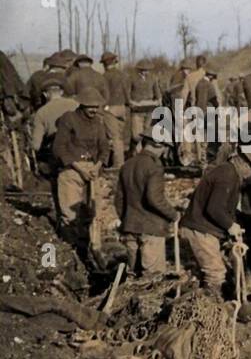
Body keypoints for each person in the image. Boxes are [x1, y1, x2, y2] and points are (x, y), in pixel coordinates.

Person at [180, 150, 251, 295]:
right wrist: (230, 226)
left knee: (212, 271)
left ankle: (207, 300)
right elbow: (214, 208)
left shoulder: (229, 172)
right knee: (216, 273)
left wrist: (232, 228)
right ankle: (209, 311)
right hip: (200, 229)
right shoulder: (227, 175)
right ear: (245, 164)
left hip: (202, 227)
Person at [50, 88, 111, 236]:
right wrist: (79, 168)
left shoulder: (98, 122)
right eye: (90, 107)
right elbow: (59, 148)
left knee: (93, 214)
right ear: (82, 106)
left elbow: (104, 147)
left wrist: (97, 166)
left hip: (93, 170)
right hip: (72, 169)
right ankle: (70, 246)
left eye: (96, 107)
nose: (94, 110)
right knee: (70, 214)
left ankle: (90, 246)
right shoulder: (69, 119)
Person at [114, 135, 177, 276]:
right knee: (152, 280)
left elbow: (119, 200)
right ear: (159, 146)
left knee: (133, 278)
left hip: (130, 227)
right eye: (166, 147)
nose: (165, 151)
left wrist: (126, 220)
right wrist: (173, 214)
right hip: (151, 229)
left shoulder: (127, 165)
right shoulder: (154, 167)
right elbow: (154, 198)